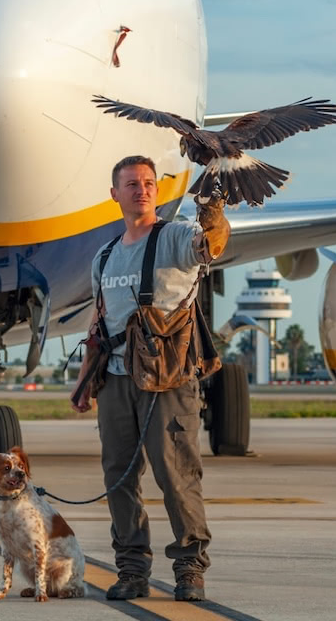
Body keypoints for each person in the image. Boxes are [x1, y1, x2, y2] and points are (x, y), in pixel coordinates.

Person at [74, 155, 228, 603]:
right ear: (114, 194)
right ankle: (132, 570)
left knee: (175, 474)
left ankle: (189, 569)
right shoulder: (104, 256)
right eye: (131, 184)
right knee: (118, 477)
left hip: (169, 379)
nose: (141, 190)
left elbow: (209, 247)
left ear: (156, 192)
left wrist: (214, 216)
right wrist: (84, 382)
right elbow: (98, 323)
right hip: (116, 379)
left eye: (147, 183)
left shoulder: (175, 237)